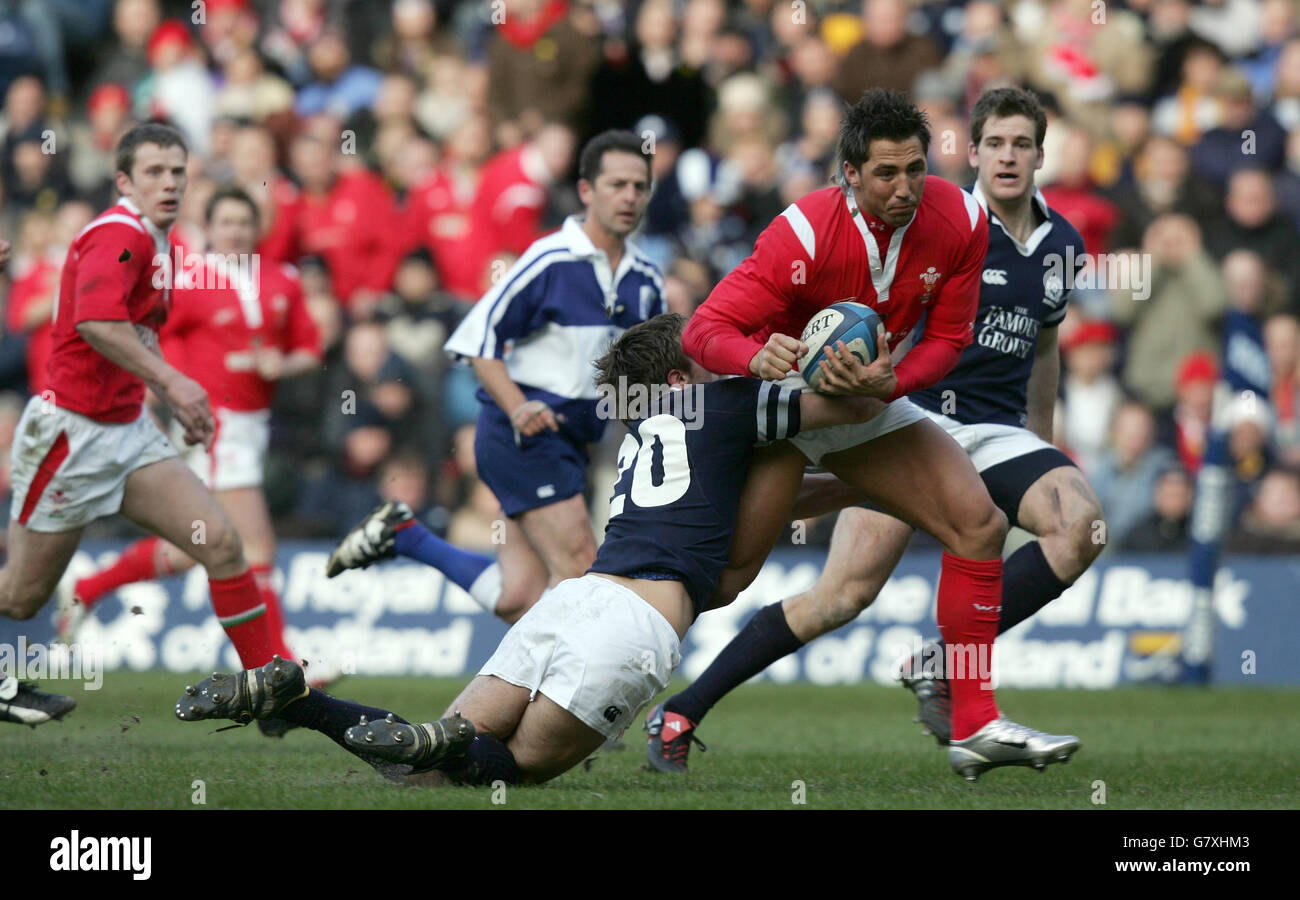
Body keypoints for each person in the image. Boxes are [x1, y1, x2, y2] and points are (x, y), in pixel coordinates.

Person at [172, 313, 897, 785]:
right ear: (680, 378)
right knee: (508, 771)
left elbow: (743, 510)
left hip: (577, 597)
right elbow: (856, 405)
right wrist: (869, 370)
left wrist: (842, 483)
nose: (722, 358)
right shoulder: (731, 405)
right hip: (638, 622)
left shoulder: (651, 430)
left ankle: (295, 699)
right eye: (706, 356)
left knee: (427, 767)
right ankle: (386, 720)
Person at [646, 88, 1101, 776]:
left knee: (990, 525)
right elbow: (705, 331)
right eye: (886, 174)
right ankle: (659, 700)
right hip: (794, 407)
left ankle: (972, 719)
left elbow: (953, 337)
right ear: (850, 174)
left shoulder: (965, 221)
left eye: (916, 169)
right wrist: (755, 355)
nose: (905, 188)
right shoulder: (802, 232)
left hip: (885, 408)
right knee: (737, 579)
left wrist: (895, 383)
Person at [0, 124, 288, 727]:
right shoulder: (120, 235)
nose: (171, 182)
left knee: (223, 542)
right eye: (155, 171)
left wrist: (168, 396)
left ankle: (270, 690)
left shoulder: (160, 241)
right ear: (124, 181)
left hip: (127, 430)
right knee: (21, 597)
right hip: (70, 436)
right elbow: (97, 323)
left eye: (178, 171)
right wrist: (176, 383)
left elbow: (133, 335)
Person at [324, 130, 665, 626]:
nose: (630, 196)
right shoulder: (549, 261)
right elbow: (476, 341)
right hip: (522, 437)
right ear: (587, 190)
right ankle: (557, 703)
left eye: (640, 185)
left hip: (574, 443)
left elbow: (642, 373)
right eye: (617, 184)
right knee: (580, 570)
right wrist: (518, 406)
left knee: (517, 597)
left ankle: (406, 536)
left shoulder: (647, 279)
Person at [55, 185, 325, 706]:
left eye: (244, 222)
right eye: (225, 222)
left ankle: (89, 588)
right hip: (213, 423)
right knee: (255, 546)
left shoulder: (283, 280)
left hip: (255, 423)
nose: (236, 231)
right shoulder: (191, 279)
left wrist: (282, 365)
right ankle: (285, 668)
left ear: (257, 228)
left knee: (199, 545)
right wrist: (172, 391)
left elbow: (309, 348)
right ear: (209, 227)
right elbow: (154, 336)